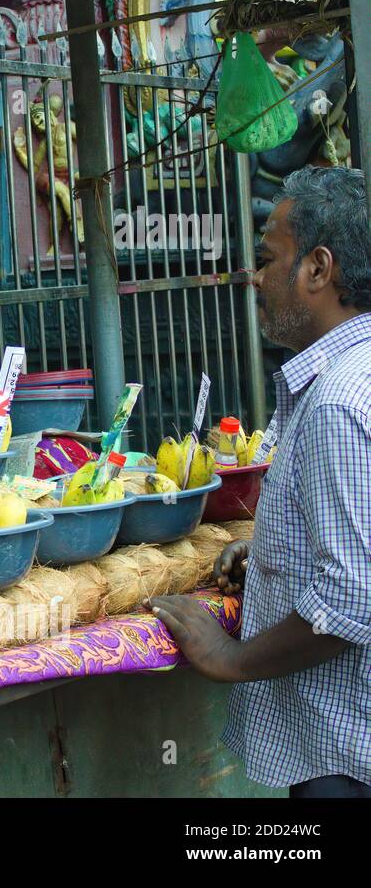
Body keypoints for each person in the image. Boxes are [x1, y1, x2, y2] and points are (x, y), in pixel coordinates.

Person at [150, 166, 370, 798]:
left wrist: (230, 658)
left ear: (318, 270)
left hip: (344, 751)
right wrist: (278, 552)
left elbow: (355, 599)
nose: (256, 276)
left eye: (269, 257)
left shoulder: (338, 400)